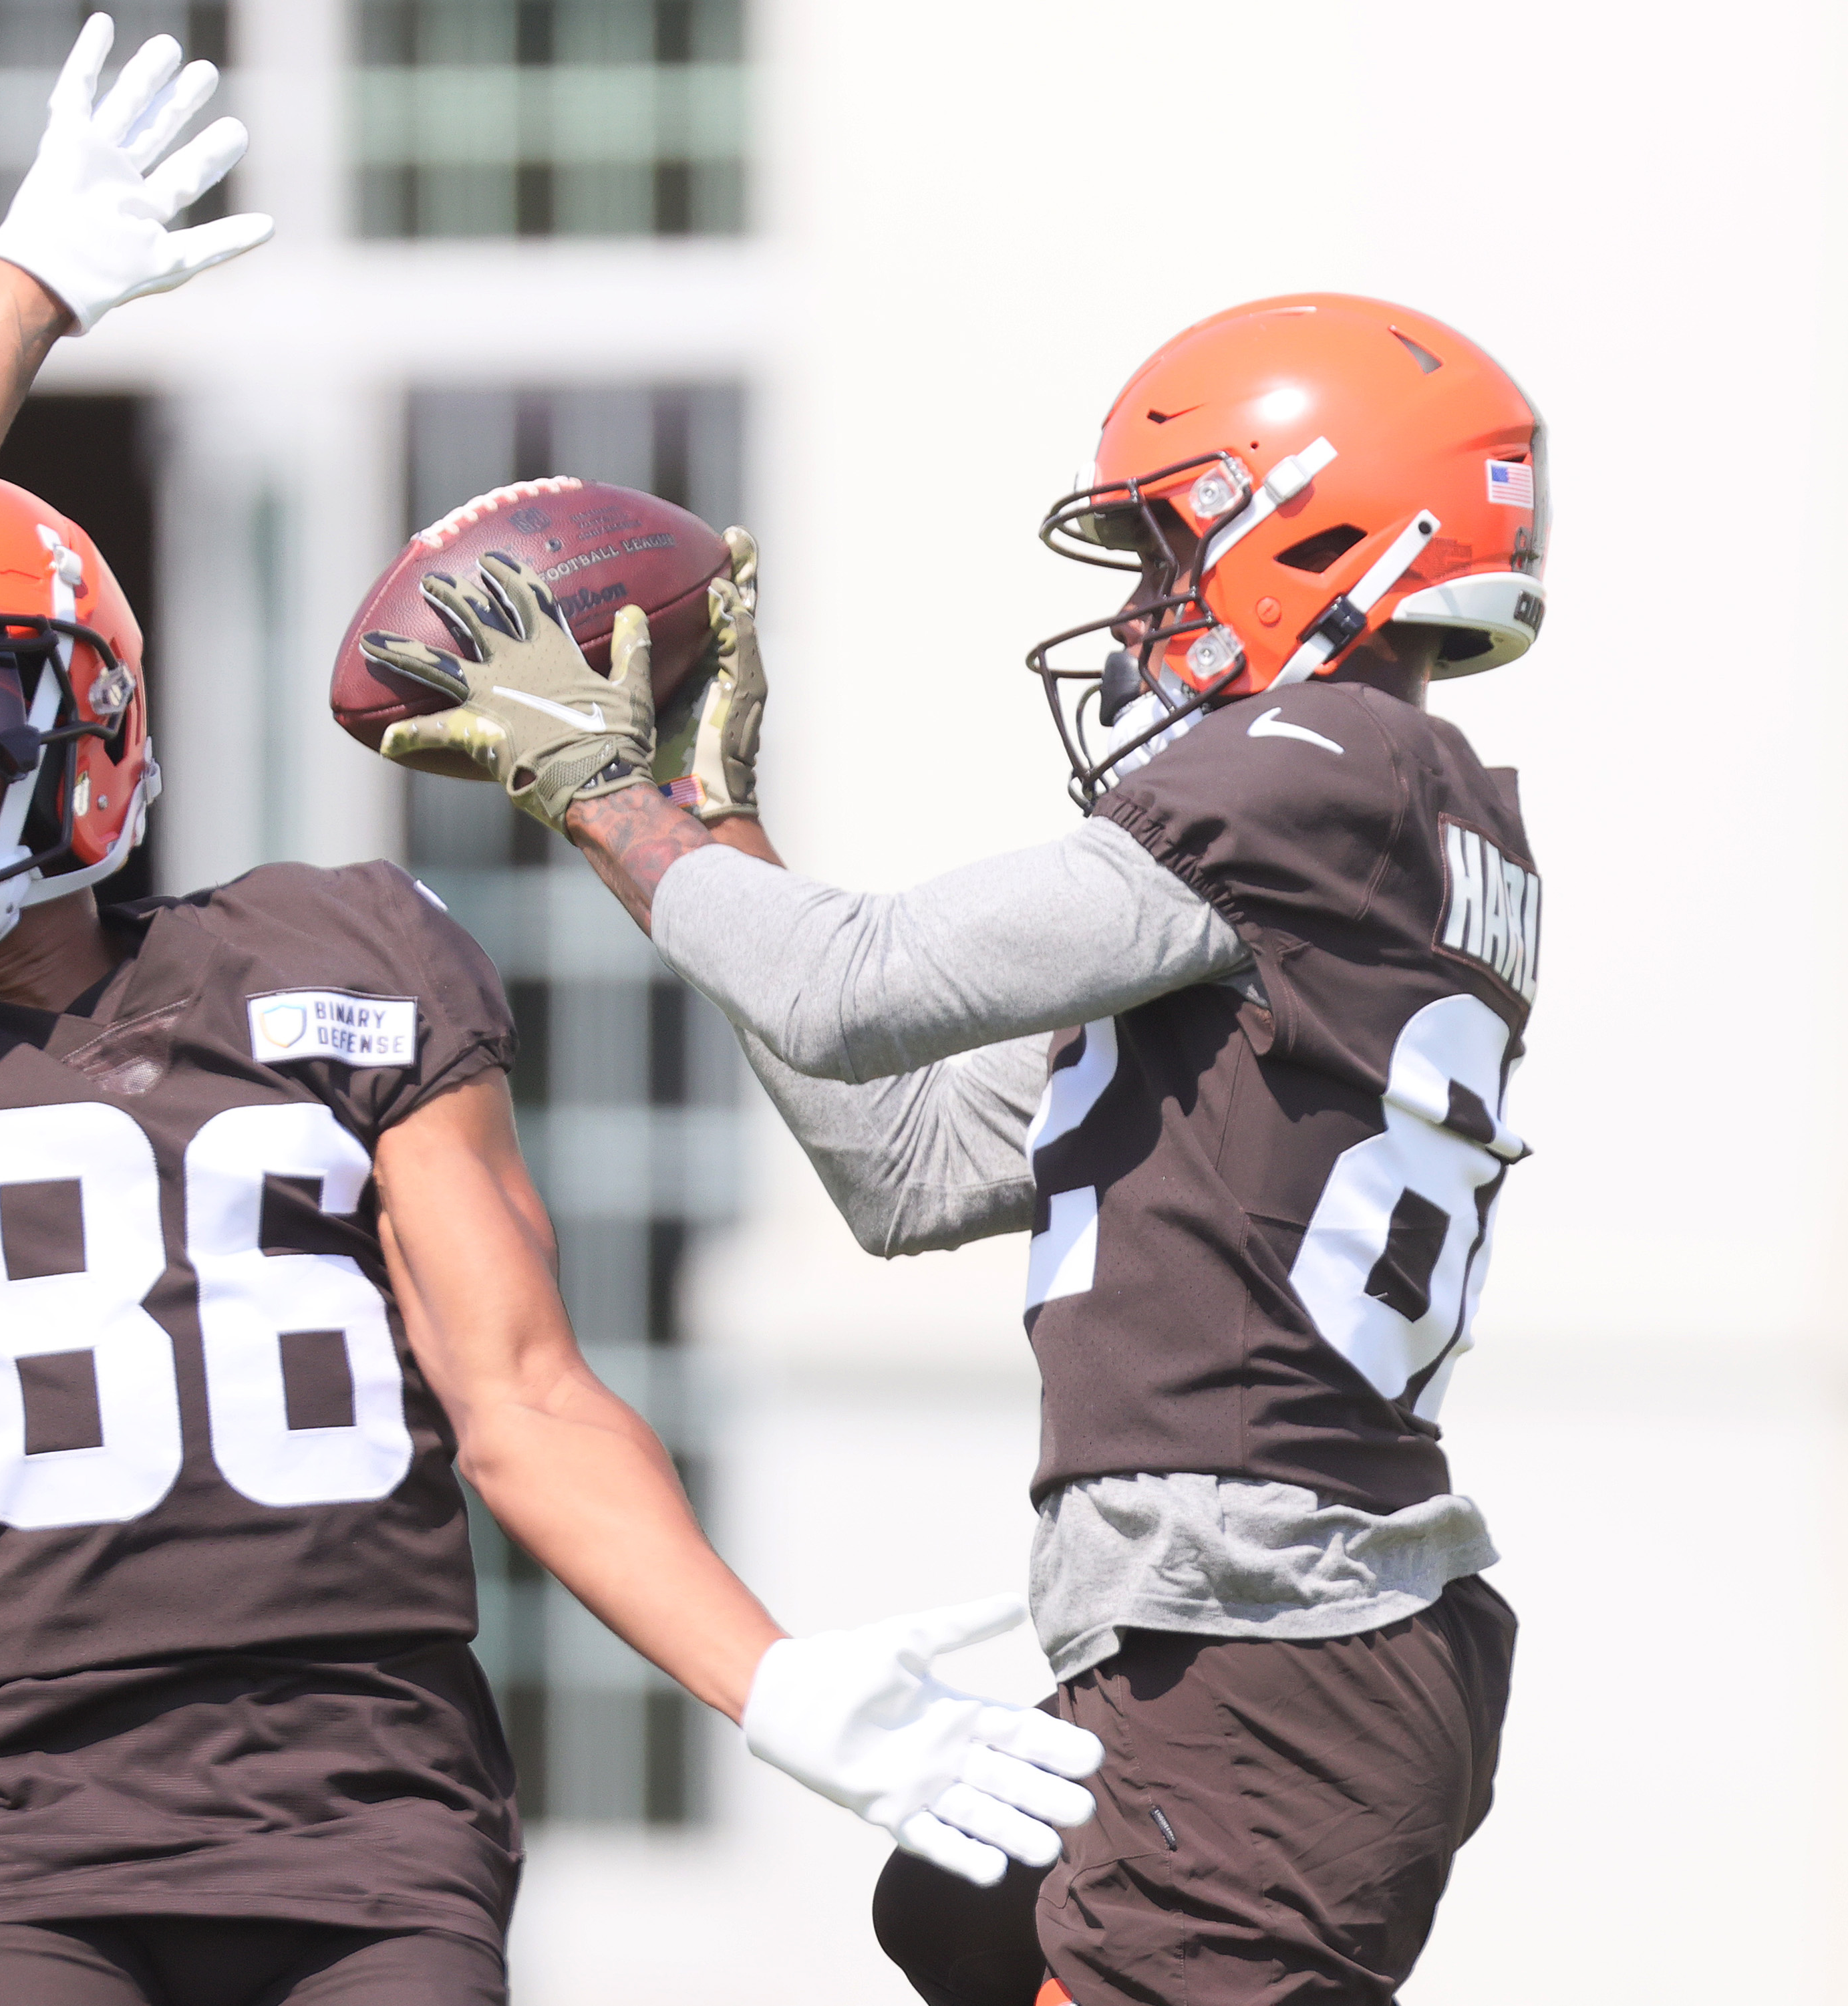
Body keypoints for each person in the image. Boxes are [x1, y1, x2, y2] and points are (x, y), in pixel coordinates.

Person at [0, 18, 1103, 2003]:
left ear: (86, 712)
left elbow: (520, 1397)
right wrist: (22, 299)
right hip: (30, 1853)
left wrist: (768, 1681)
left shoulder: (330, 945)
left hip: (379, 1830)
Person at [360, 293, 1541, 2005]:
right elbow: (904, 1162)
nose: (1143, 611)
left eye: (1168, 549)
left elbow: (850, 990)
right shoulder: (1388, 828)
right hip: (1263, 1632)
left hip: (1263, 1653)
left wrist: (600, 791)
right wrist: (711, 825)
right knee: (953, 1912)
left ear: (1336, 530)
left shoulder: (1312, 768)